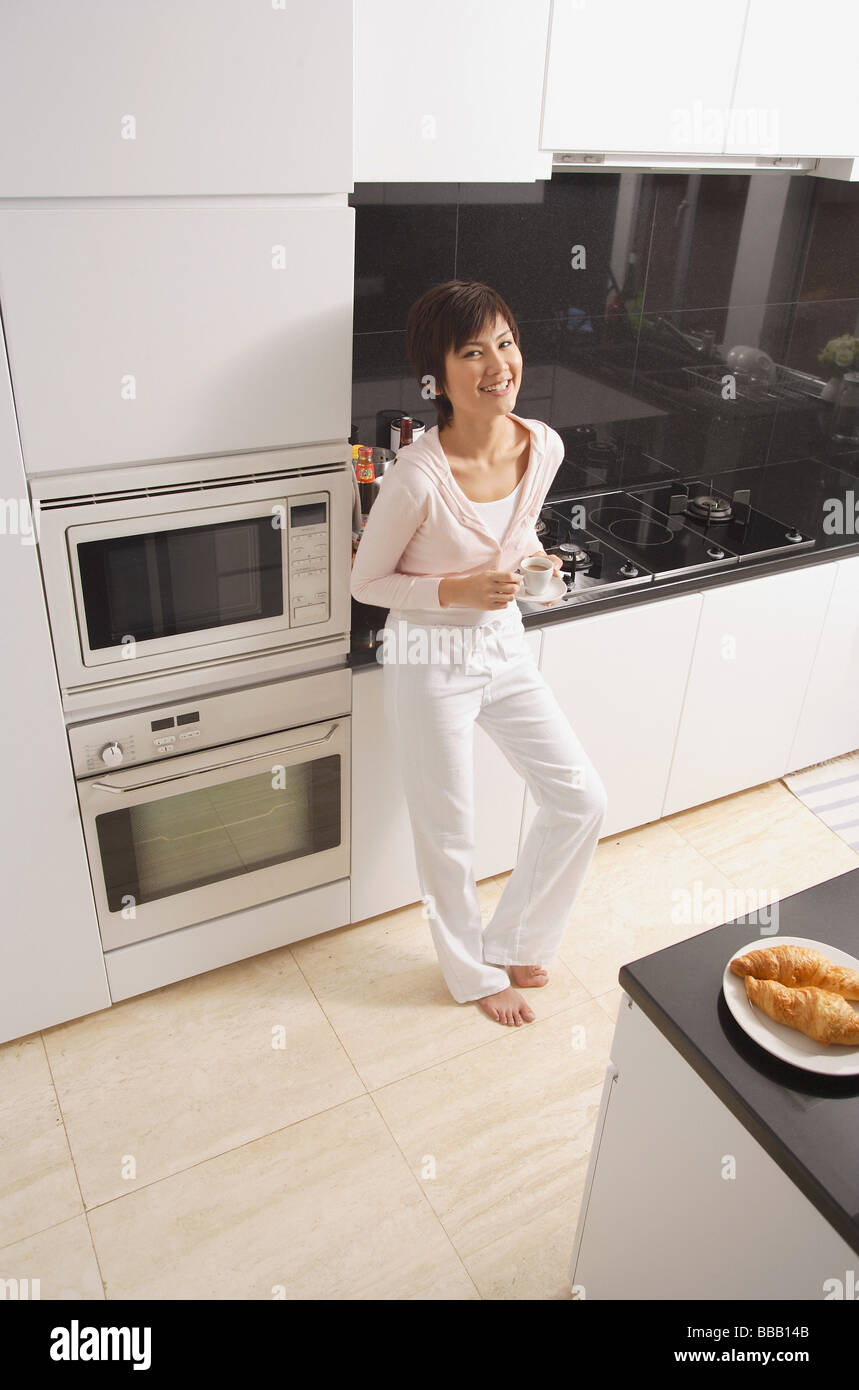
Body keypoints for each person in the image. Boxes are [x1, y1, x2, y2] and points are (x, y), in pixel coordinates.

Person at [350, 280, 608, 1026]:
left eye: (504, 342)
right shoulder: (416, 476)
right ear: (438, 375)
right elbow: (366, 581)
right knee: (450, 832)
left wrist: (540, 571)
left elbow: (517, 535)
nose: (497, 363)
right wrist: (455, 592)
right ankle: (469, 973)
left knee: (579, 798)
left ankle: (519, 934)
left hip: (502, 649)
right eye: (472, 351)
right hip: (428, 662)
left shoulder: (543, 445)